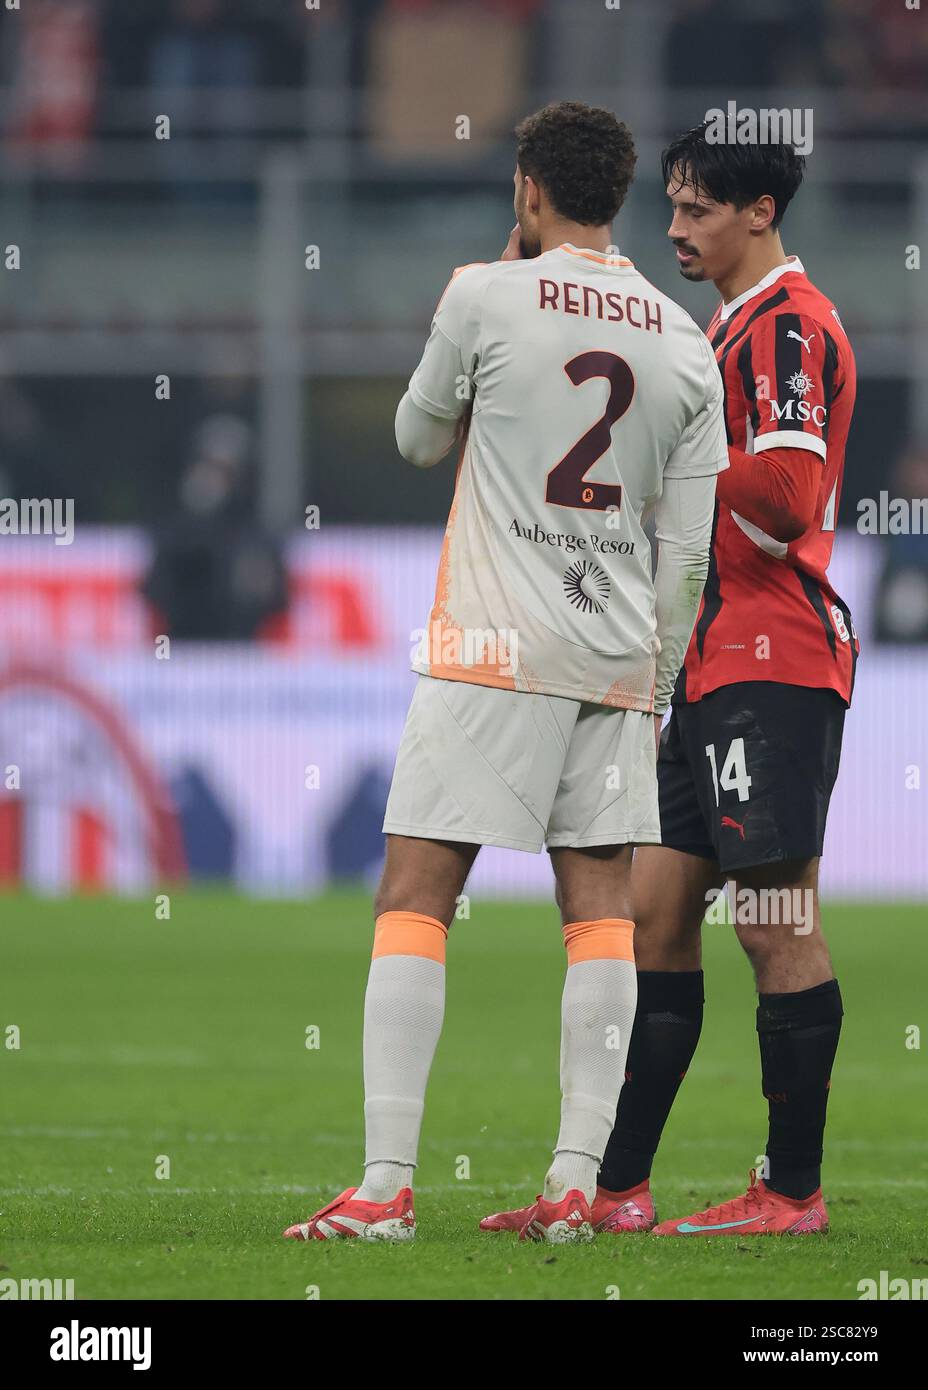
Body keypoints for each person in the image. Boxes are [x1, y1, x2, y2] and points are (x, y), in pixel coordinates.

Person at [283, 100, 728, 1245]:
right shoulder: (681, 340)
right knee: (600, 915)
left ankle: (385, 1186)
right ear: (621, 196)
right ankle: (577, 1184)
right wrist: (659, 671)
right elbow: (688, 548)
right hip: (619, 656)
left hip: (490, 643)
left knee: (416, 894)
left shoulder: (483, 291)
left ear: (528, 187)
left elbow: (416, 440)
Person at [483, 122, 858, 1239]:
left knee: (776, 921)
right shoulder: (730, 327)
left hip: (771, 660)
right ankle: (617, 1190)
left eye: (698, 211)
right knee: (653, 920)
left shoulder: (785, 326)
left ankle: (791, 1194)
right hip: (707, 659)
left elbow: (789, 492)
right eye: (676, 206)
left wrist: (665, 454)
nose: (677, 228)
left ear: (759, 214)